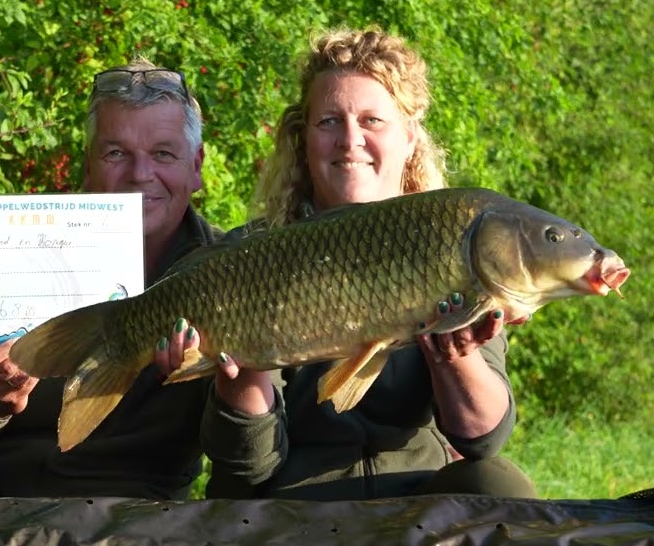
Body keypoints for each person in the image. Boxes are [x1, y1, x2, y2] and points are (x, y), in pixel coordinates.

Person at [159, 27, 537, 501]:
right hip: (287, 505)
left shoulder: (451, 238)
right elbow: (247, 468)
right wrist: (245, 365)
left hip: (413, 498)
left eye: (372, 121)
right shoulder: (247, 256)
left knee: (500, 483)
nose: (349, 140)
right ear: (303, 138)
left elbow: (482, 438)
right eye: (329, 122)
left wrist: (453, 358)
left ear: (410, 136)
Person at [0, 58, 221, 500]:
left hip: (133, 515)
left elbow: (249, 455)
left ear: (196, 165)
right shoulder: (8, 244)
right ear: (87, 165)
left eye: (163, 154)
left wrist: (225, 382)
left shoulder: (230, 268)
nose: (139, 174)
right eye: (116, 153)